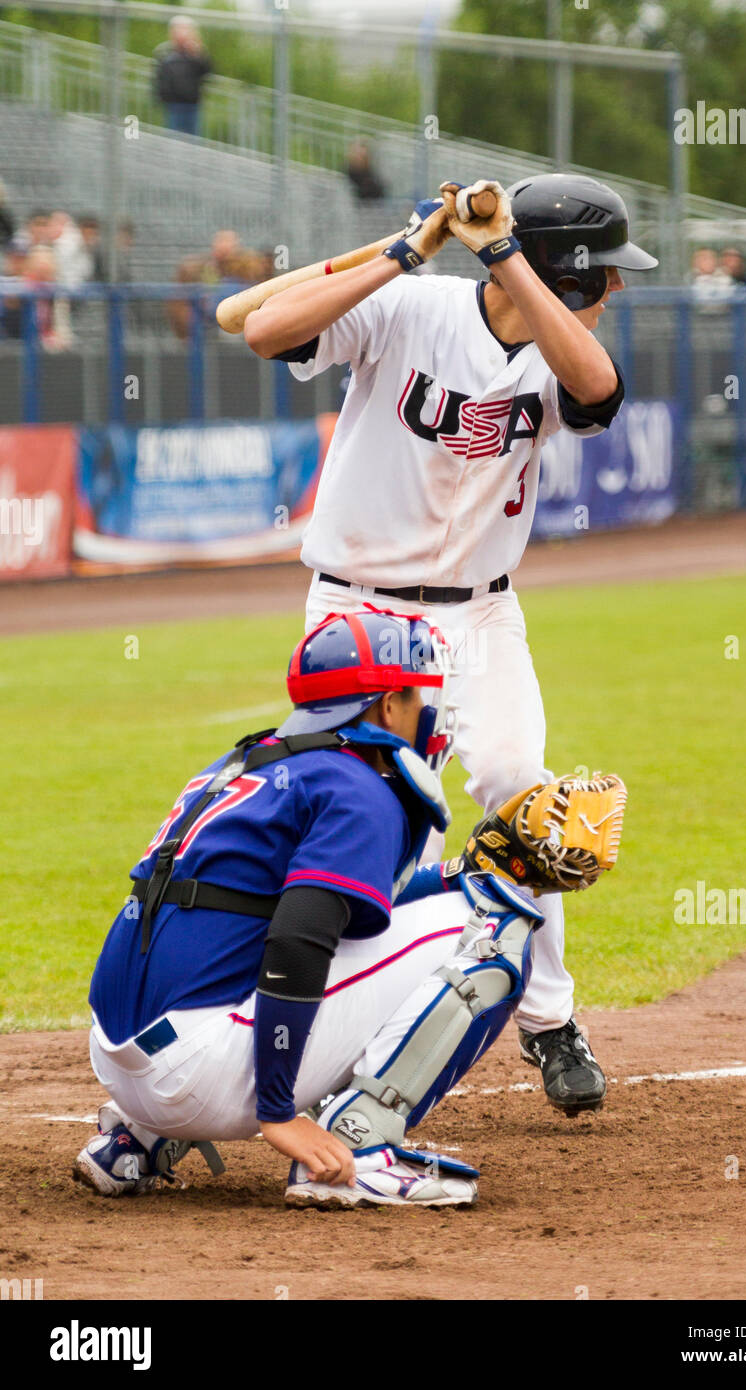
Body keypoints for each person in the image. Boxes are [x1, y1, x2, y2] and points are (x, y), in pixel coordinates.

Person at [243, 173, 657, 1116]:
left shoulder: (561, 351)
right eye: (608, 274)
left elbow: (596, 390)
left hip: (478, 614)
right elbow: (266, 330)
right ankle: (301, 1039)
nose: (618, 291)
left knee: (524, 790)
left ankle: (548, 1021)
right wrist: (408, 249)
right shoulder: (407, 305)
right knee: (356, 815)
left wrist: (504, 254)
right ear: (573, 270)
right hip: (357, 610)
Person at [74, 610, 582, 1208]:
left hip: (120, 1063)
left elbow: (311, 905)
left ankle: (137, 1143)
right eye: (415, 692)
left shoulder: (249, 764)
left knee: (235, 923)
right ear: (385, 705)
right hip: (198, 1076)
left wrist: (458, 871)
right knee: (496, 920)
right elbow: (300, 937)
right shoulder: (358, 786)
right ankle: (359, 1147)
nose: (427, 708)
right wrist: (277, 1113)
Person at [153, 16, 212, 137]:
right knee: (173, 138)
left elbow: (207, 72)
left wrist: (199, 54)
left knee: (193, 139)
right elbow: (159, 77)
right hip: (173, 104)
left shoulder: (196, 53)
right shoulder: (165, 52)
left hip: (192, 104)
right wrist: (161, 97)